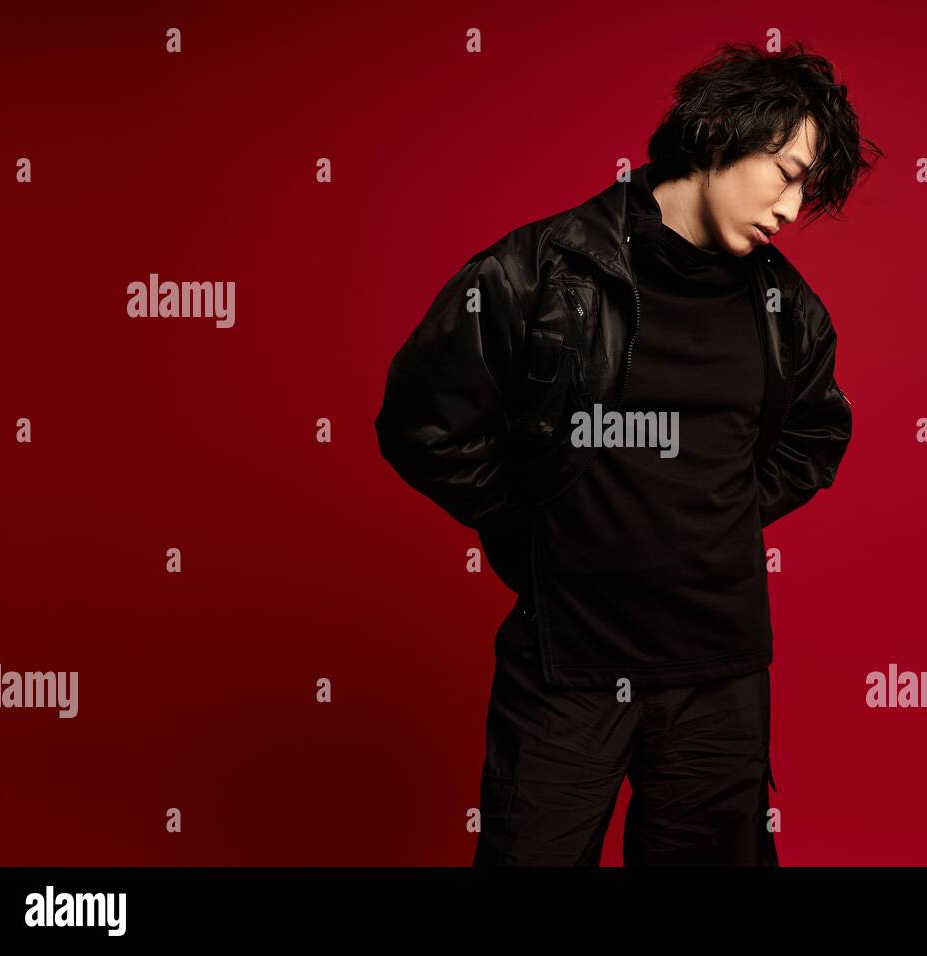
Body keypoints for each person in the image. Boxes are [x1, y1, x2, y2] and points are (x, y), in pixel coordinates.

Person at [374, 40, 881, 865]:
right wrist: (532, 523)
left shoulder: (791, 310)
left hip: (721, 673)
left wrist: (720, 513)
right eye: (788, 174)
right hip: (566, 665)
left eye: (809, 192)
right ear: (718, 131)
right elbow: (421, 422)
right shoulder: (540, 269)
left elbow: (817, 434)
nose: (794, 211)